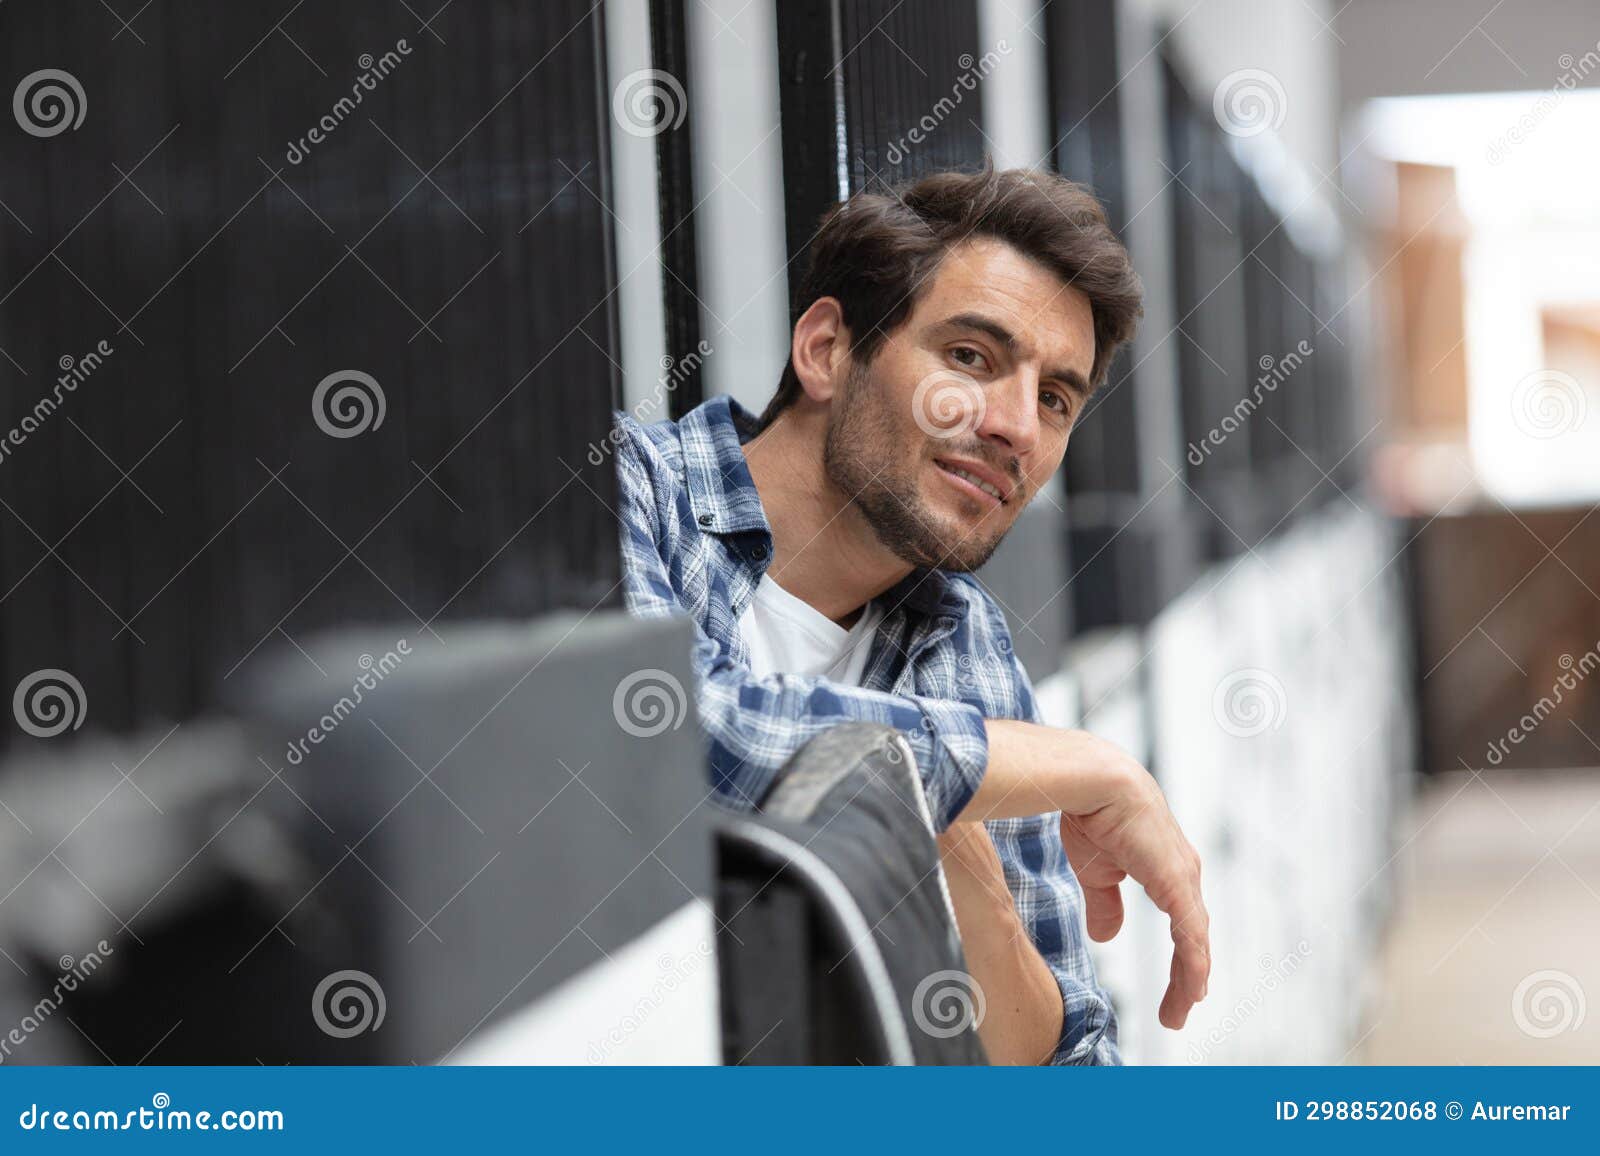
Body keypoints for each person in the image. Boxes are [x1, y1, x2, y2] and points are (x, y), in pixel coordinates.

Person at [614, 166, 1209, 1064]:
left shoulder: (961, 641)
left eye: (1055, 398)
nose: (1016, 427)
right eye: (971, 357)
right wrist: (1063, 767)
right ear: (825, 350)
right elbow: (669, 745)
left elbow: (1068, 1066)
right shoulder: (626, 494)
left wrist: (966, 866)